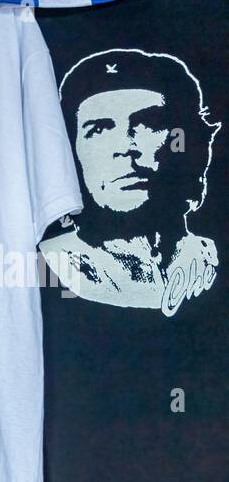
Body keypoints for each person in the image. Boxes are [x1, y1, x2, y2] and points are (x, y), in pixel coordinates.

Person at [41, 48, 220, 317]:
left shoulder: (207, 255)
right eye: (99, 129)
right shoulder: (48, 264)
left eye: (149, 123)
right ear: (70, 153)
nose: (125, 146)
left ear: (184, 144)